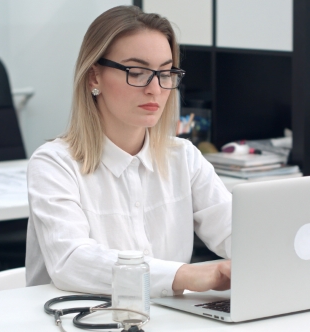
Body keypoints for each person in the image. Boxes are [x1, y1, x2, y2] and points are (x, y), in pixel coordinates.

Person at [25, 5, 232, 299]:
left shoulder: (183, 156)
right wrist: (182, 275)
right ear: (94, 77)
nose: (155, 89)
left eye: (165, 73)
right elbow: (71, 261)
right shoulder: (54, 164)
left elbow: (233, 229)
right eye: (137, 72)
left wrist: (266, 252)